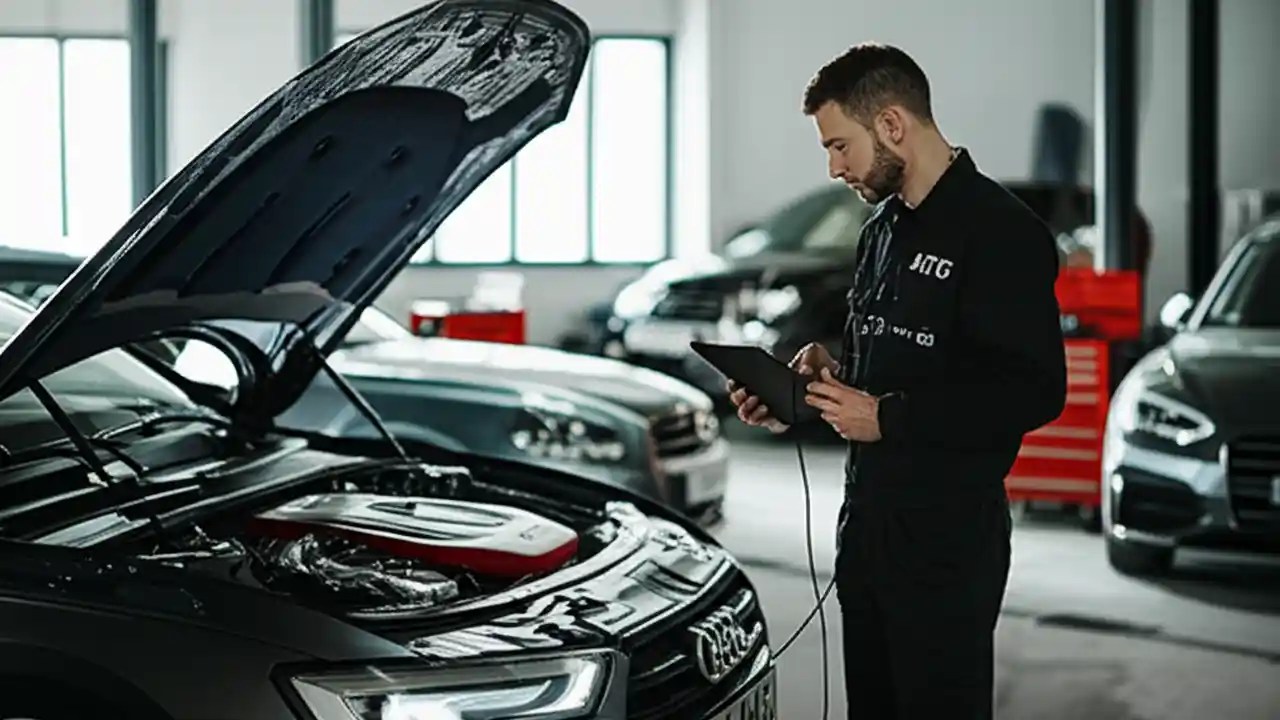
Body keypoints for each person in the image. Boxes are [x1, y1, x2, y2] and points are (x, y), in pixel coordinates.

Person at [728, 43, 1067, 718]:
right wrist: (810, 388)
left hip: (947, 539)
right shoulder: (879, 230)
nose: (833, 168)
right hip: (868, 527)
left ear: (891, 124)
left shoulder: (1001, 231)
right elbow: (884, 368)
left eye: (839, 146)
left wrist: (888, 419)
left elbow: (1034, 390)